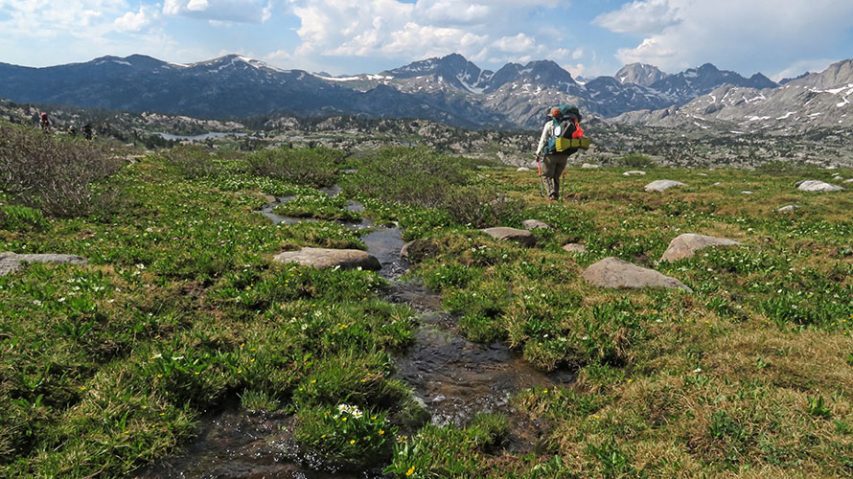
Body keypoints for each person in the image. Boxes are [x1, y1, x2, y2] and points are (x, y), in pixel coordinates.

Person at [535, 106, 580, 201]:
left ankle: (551, 194)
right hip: (564, 155)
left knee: (546, 176)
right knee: (556, 177)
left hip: (551, 155)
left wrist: (538, 152)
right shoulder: (568, 124)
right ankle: (556, 195)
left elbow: (543, 139)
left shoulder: (549, 124)